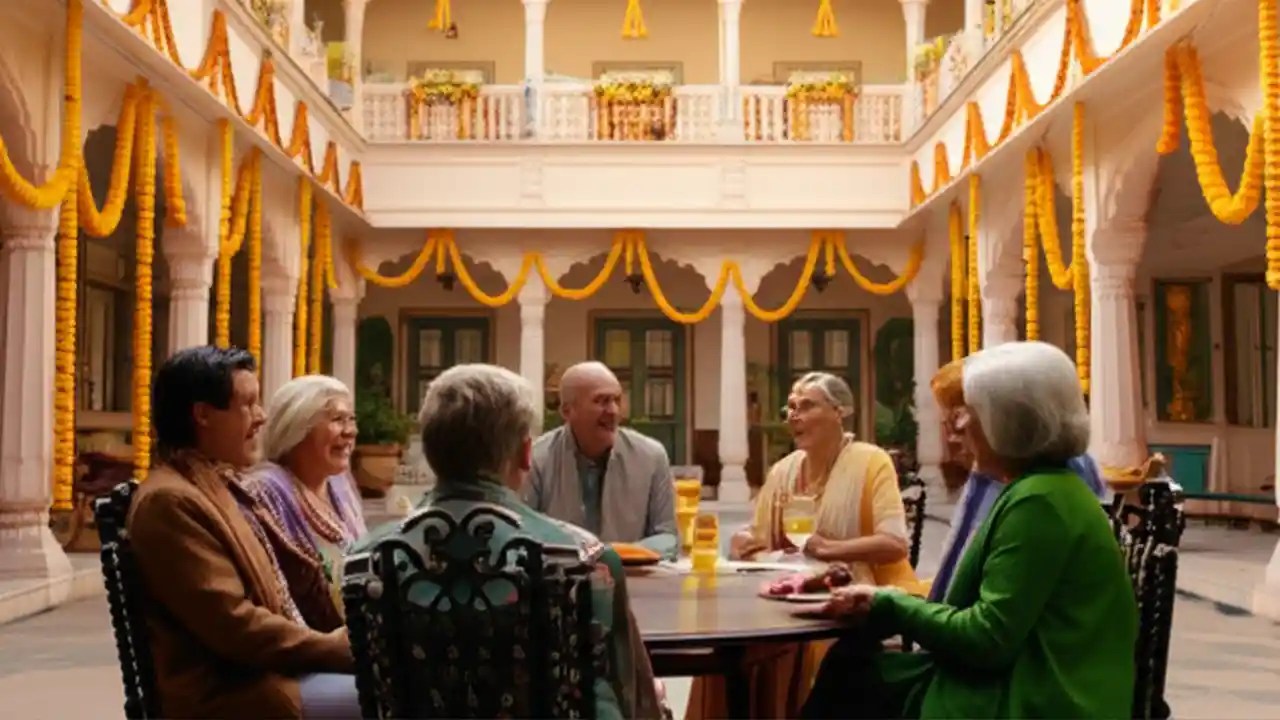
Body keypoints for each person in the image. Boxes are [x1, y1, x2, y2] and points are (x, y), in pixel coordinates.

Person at [801, 341, 1138, 719]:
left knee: (849, 682)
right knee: (849, 668)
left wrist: (889, 603)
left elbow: (987, 639)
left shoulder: (1039, 502)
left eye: (966, 415)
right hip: (1018, 680)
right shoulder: (1040, 489)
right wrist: (879, 600)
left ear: (1008, 420)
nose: (955, 429)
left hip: (1034, 697)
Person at [352, 364, 664, 719]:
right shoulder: (587, 561)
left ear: (429, 449)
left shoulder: (367, 561)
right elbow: (623, 697)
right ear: (526, 453)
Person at [126, 346, 359, 719]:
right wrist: (333, 648)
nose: (261, 417)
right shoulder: (171, 501)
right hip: (235, 695)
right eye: (248, 405)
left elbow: (290, 581)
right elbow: (236, 625)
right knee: (398, 699)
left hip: (264, 675)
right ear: (203, 415)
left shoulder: (215, 484)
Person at [687, 372, 920, 719]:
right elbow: (758, 537)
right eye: (790, 408)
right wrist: (742, 543)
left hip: (854, 595)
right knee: (729, 648)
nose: (794, 415)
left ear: (840, 411)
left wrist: (828, 550)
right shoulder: (783, 470)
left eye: (807, 406)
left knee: (783, 647)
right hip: (786, 592)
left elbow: (895, 543)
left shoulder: (871, 461)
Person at [927, 358, 1108, 602]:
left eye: (959, 419)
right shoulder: (1011, 473)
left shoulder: (1037, 493)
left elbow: (990, 616)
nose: (953, 435)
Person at [245, 375, 367, 631]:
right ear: (296, 427)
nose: (351, 431)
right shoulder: (265, 491)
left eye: (351, 419)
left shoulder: (339, 483)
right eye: (338, 420)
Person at [524, 361, 677, 558]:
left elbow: (667, 537)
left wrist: (610, 555)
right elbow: (523, 534)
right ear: (567, 411)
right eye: (601, 401)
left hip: (634, 581)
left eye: (617, 400)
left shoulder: (651, 456)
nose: (613, 411)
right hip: (561, 582)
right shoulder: (537, 459)